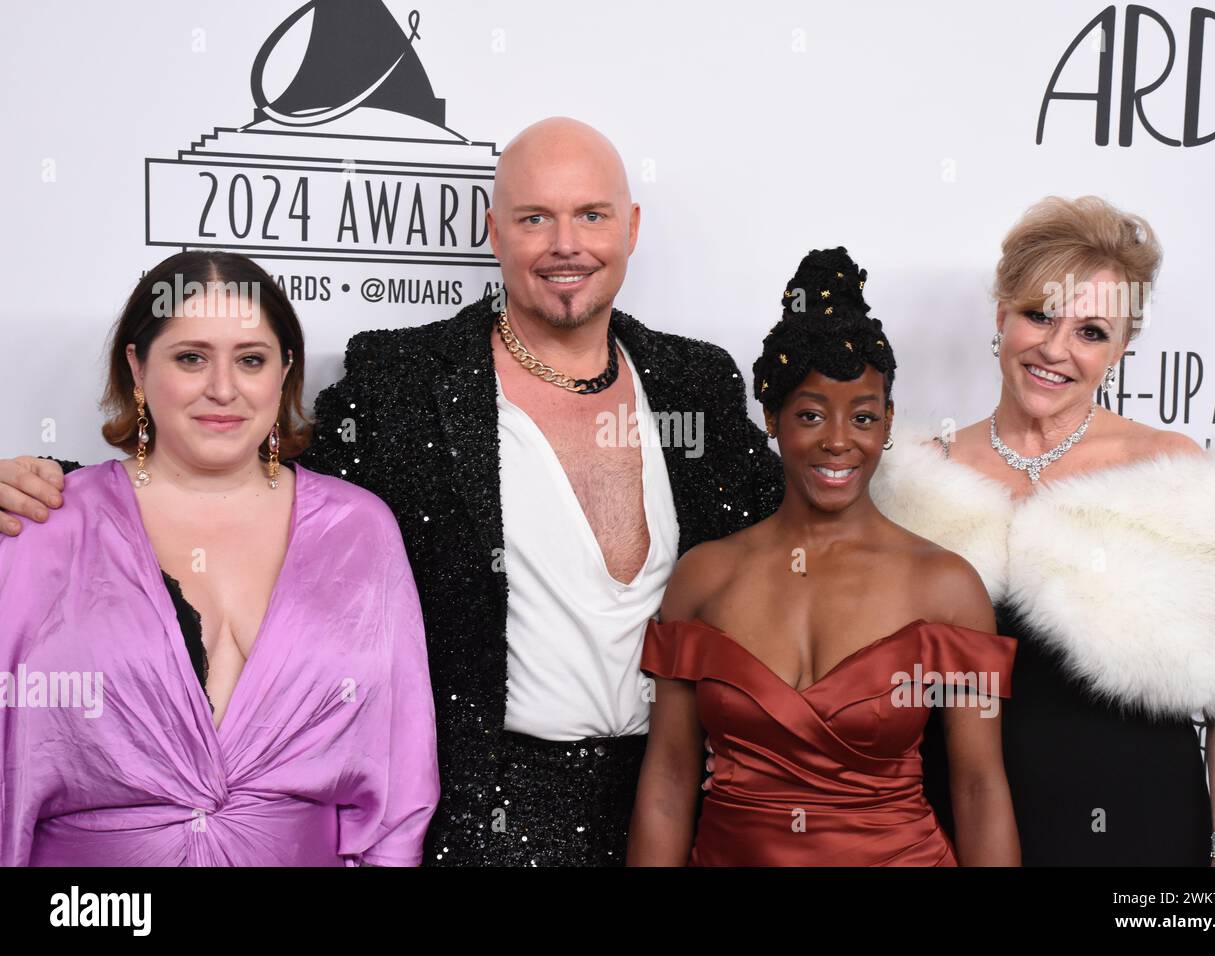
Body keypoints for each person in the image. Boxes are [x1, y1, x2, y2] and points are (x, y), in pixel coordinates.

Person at [0, 118, 785, 866]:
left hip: (678, 806)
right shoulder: (402, 380)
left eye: (591, 215)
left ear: (632, 227)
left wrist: (900, 480)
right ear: (494, 231)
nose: (566, 244)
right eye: (535, 218)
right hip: (484, 822)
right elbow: (243, 461)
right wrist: (59, 488)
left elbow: (786, 542)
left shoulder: (696, 382)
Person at [872, 196, 1215, 866]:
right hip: (949, 839)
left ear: (1121, 349)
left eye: (1090, 332)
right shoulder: (916, 475)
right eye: (1039, 315)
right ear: (1000, 315)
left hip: (1143, 838)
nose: (1055, 349)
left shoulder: (1176, 472)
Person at [0, 251, 438, 866]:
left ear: (285, 371)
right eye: (191, 357)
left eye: (251, 360)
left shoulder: (360, 530)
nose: (223, 389)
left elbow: (401, 779)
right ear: (137, 365)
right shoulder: (43, 522)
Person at [626, 247, 1019, 866]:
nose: (839, 441)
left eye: (862, 417)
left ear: (887, 423)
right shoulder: (704, 577)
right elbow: (669, 784)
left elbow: (978, 787)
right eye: (810, 415)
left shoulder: (946, 587)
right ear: (771, 418)